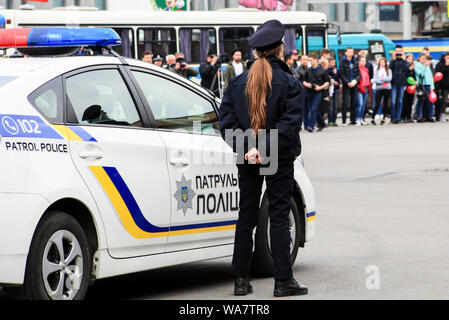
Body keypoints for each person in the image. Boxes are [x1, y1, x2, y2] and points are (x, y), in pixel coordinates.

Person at [218, 19, 308, 298]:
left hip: (247, 155)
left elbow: (226, 123)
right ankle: (283, 282)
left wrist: (249, 147)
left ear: (256, 52)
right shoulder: (290, 83)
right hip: (278, 157)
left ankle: (241, 282)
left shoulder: (236, 83)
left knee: (246, 216)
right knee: (279, 215)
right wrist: (263, 148)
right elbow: (289, 124)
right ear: (280, 49)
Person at [304, 54, 330, 132]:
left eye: (311, 60)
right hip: (309, 91)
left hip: (319, 92)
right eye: (309, 60)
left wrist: (320, 87)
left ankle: (310, 126)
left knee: (314, 108)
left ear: (316, 60)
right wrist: (306, 84)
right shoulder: (308, 70)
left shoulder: (322, 70)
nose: (310, 62)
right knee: (314, 109)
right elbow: (304, 81)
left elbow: (327, 82)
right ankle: (322, 123)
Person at [340, 47, 360, 126]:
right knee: (345, 102)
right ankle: (344, 121)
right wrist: (347, 82)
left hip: (354, 84)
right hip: (346, 84)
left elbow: (358, 74)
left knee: (354, 102)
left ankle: (353, 120)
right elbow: (342, 74)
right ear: (346, 53)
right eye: (349, 52)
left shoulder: (355, 61)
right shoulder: (343, 62)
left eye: (351, 52)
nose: (350, 53)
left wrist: (355, 81)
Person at [389, 45, 410, 124]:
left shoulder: (404, 61)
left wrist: (404, 59)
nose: (398, 54)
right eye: (397, 52)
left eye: (400, 52)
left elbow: (407, 68)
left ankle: (398, 117)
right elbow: (390, 68)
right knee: (393, 101)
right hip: (394, 83)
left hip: (402, 83)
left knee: (400, 101)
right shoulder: (393, 60)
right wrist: (393, 59)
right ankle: (393, 117)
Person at [414, 53, 435, 122]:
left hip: (428, 85)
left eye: (424, 59)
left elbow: (430, 77)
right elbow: (421, 74)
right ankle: (419, 116)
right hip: (421, 85)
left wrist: (432, 86)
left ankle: (430, 116)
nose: (423, 60)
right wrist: (424, 67)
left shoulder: (428, 67)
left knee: (430, 101)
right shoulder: (417, 65)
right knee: (420, 101)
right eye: (422, 58)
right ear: (419, 59)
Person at [371, 57, 392, 125]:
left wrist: (382, 79)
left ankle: (383, 118)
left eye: (383, 62)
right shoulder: (376, 70)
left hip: (387, 88)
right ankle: (373, 117)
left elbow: (389, 78)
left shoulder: (389, 70)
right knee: (377, 103)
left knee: (385, 104)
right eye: (381, 62)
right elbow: (376, 79)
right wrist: (383, 81)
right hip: (379, 88)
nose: (382, 64)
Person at [434, 52, 449, 122]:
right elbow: (439, 73)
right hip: (443, 86)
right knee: (443, 101)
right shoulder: (439, 64)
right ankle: (441, 115)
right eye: (447, 57)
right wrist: (446, 65)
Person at [356, 56, 371, 126]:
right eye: (362, 61)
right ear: (359, 61)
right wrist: (359, 86)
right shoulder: (357, 69)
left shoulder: (366, 69)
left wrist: (369, 88)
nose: (363, 62)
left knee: (364, 105)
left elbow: (368, 79)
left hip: (366, 88)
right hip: (359, 89)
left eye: (364, 61)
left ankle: (362, 118)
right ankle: (357, 119)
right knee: (360, 104)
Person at [402, 54, 416, 123]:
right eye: (408, 59)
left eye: (411, 59)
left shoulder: (413, 68)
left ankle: (409, 117)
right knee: (404, 102)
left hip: (411, 87)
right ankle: (403, 117)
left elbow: (414, 77)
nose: (410, 60)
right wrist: (409, 70)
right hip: (406, 86)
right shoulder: (405, 66)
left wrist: (415, 82)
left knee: (410, 103)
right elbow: (404, 75)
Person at [328, 57, 340, 127]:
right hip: (330, 91)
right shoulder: (327, 70)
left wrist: (337, 81)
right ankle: (330, 121)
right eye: (332, 62)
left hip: (336, 89)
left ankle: (334, 121)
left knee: (335, 106)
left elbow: (338, 79)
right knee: (331, 106)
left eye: (334, 62)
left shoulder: (336, 70)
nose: (333, 64)